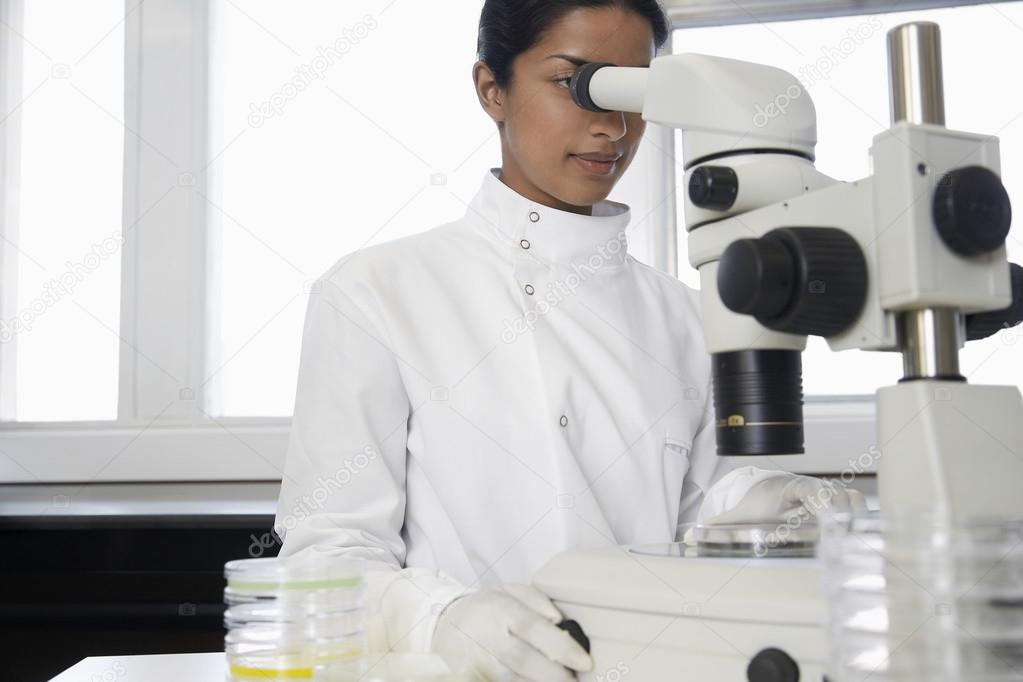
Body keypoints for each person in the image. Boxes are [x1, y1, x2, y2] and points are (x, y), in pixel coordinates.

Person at [273, 1, 865, 680]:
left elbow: (695, 522)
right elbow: (325, 560)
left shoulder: (686, 316)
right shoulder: (376, 292)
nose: (612, 126)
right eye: (574, 83)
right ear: (491, 89)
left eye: (632, 90)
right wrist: (440, 620)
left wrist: (762, 508)